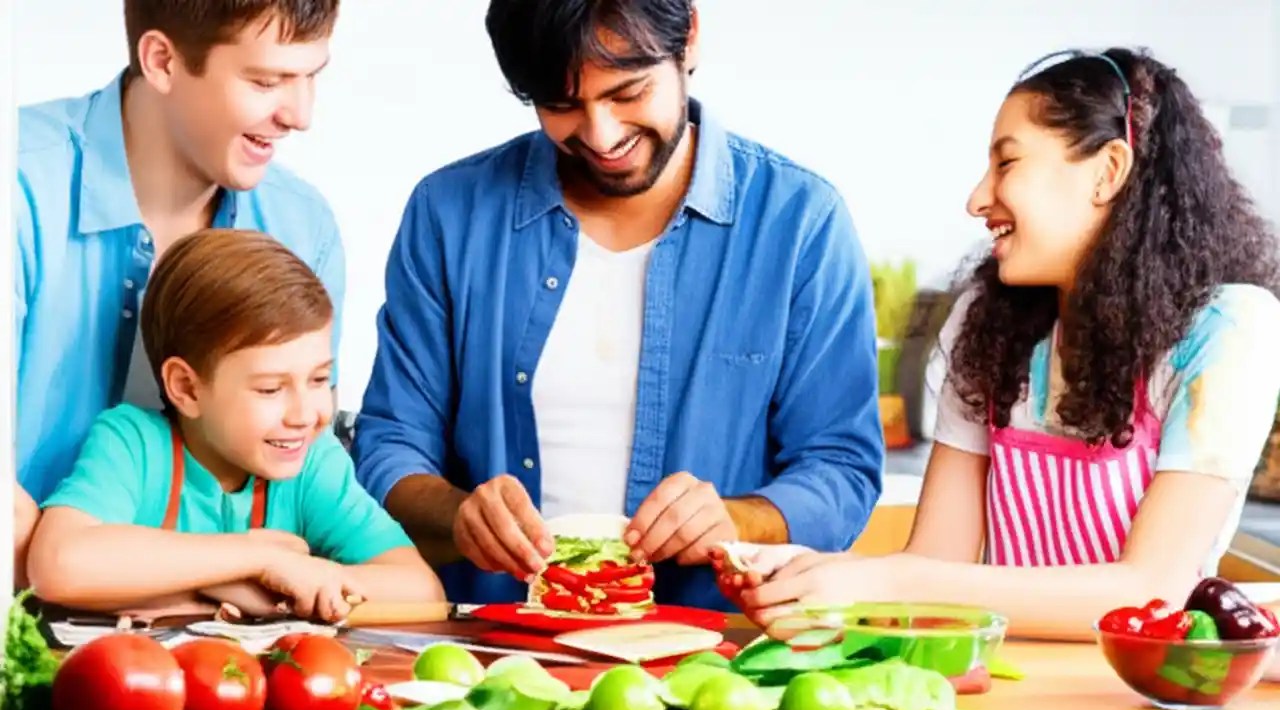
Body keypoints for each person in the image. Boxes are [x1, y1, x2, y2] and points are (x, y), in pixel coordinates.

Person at [713, 47, 1280, 640]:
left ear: (1108, 171)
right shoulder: (985, 326)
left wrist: (879, 580)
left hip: (1135, 696)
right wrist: (814, 580)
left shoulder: (1228, 329)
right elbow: (935, 566)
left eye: (1007, 164)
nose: (978, 199)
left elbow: (1150, 593)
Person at [353, 0, 884, 610]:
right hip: (488, 640)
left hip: (711, 651)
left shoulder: (799, 223)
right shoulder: (449, 213)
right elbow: (390, 442)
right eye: (561, 105)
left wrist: (737, 518)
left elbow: (841, 468)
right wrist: (459, 514)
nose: (600, 135)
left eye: (628, 93)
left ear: (689, 40)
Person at [17, 0, 346, 508]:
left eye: (310, 76)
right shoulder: (19, 187)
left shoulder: (302, 227)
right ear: (162, 62)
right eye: (265, 81)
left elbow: (306, 479)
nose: (300, 116)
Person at [26, 230, 444, 623]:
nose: (304, 414)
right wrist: (259, 558)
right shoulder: (132, 444)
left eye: (318, 379)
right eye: (269, 389)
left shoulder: (314, 462)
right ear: (187, 388)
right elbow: (58, 565)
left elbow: (422, 590)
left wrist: (260, 579)